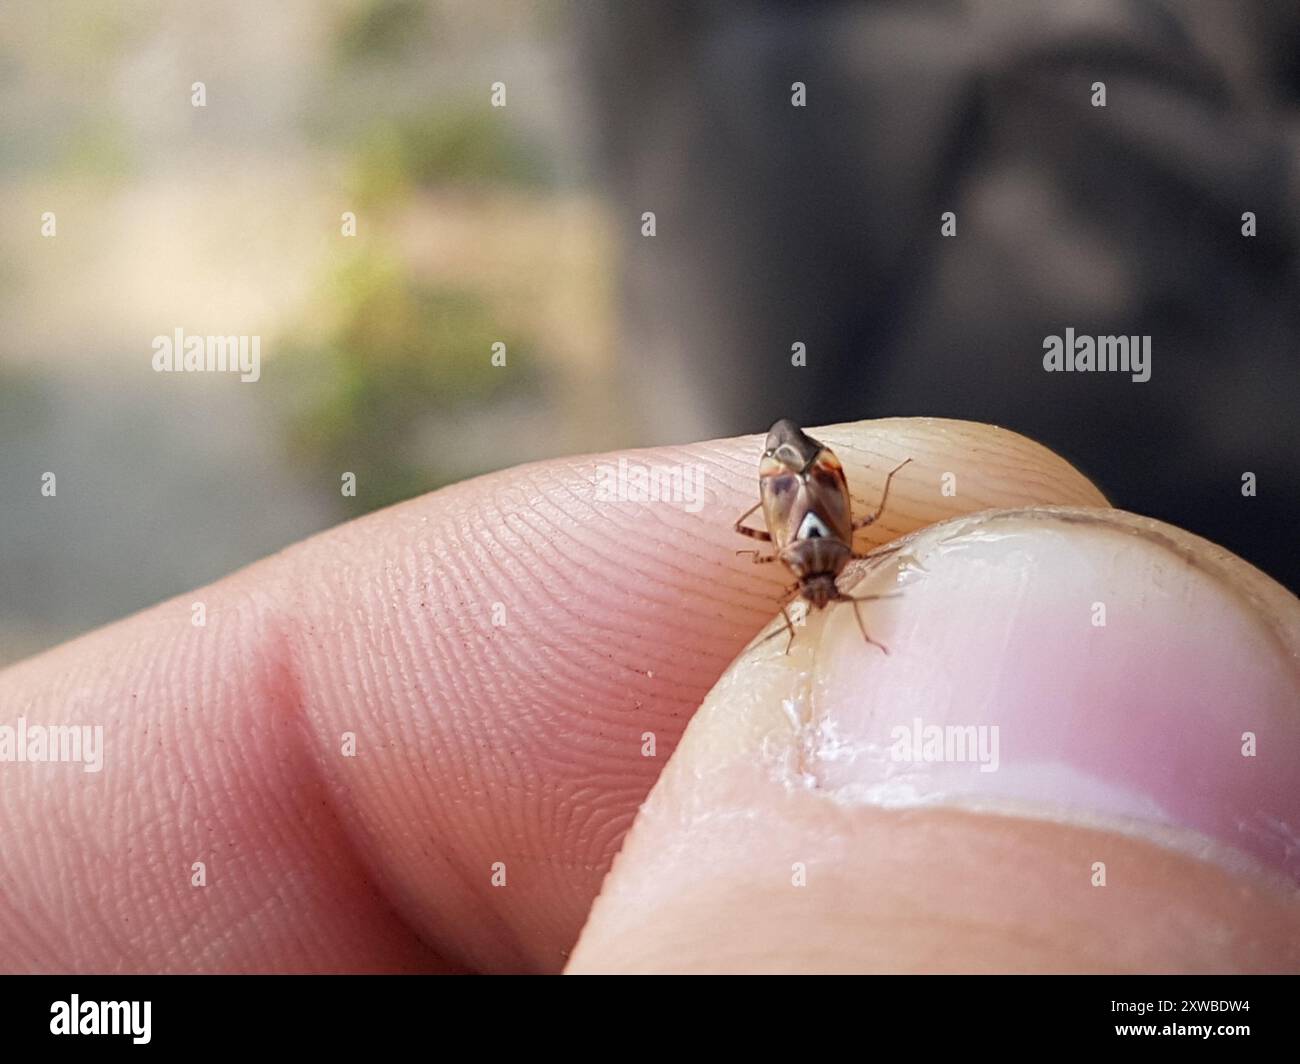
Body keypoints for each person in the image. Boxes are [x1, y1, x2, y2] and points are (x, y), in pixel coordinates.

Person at [1, 419, 1296, 973]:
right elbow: (833, 533)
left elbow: (833, 532)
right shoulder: (826, 548)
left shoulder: (823, 549)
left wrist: (815, 537)